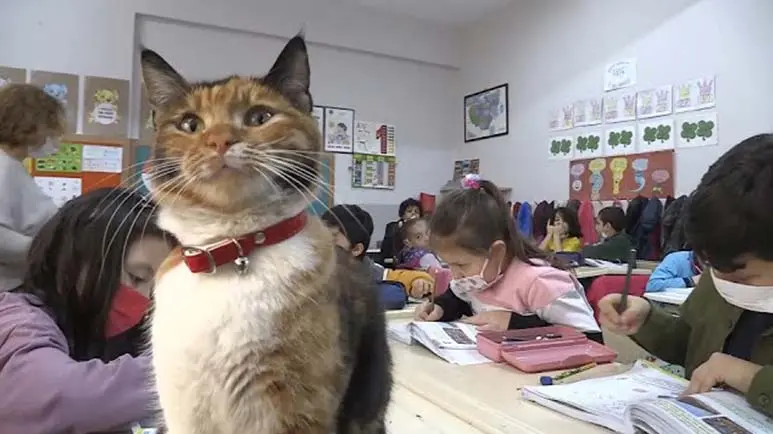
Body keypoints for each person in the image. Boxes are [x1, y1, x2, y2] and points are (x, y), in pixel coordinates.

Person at [598, 134, 773, 416]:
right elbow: (691, 345)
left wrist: (750, 378)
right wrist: (647, 320)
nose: (723, 282)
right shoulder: (722, 268)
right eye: (711, 267)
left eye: (742, 276)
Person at [0, 187, 176, 432]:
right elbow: (58, 399)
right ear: (77, 261)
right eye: (136, 277)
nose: (144, 298)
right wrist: (185, 366)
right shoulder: (17, 319)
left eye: (154, 287)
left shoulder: (103, 337)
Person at [415, 175, 600, 337]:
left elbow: (591, 339)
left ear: (497, 252)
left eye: (461, 265)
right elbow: (458, 298)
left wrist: (515, 324)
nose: (455, 275)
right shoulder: (476, 278)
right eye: (449, 265)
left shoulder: (541, 283)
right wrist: (440, 307)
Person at [0, 84, 65, 291]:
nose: (51, 134)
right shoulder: (4, 167)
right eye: (49, 125)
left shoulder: (13, 166)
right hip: (10, 289)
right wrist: (48, 251)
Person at [322, 204, 436, 301]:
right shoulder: (312, 263)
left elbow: (400, 276)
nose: (320, 241)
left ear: (356, 249)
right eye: (320, 233)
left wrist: (418, 283)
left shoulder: (366, 268)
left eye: (332, 237)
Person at [380, 198, 422, 263]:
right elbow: (387, 249)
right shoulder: (393, 227)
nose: (413, 213)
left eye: (416, 212)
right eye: (409, 211)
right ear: (402, 215)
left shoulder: (422, 230)